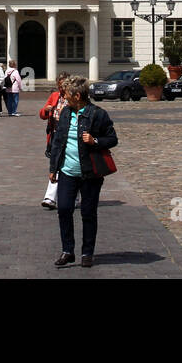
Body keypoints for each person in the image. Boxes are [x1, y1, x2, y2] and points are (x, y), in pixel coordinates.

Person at [48, 74, 118, 268]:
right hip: (67, 172)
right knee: (63, 209)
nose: (64, 97)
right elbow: (58, 142)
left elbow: (112, 139)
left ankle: (87, 252)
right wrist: (53, 168)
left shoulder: (98, 114)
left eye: (67, 94)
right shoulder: (65, 113)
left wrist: (95, 141)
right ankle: (67, 250)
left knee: (88, 213)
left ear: (77, 96)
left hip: (90, 173)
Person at [39, 72, 70, 209]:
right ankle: (50, 198)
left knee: (71, 167)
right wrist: (46, 110)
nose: (61, 88)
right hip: (55, 135)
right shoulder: (54, 96)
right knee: (55, 165)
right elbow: (42, 115)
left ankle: (73, 197)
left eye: (63, 85)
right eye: (59, 85)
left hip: (70, 136)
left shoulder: (73, 97)